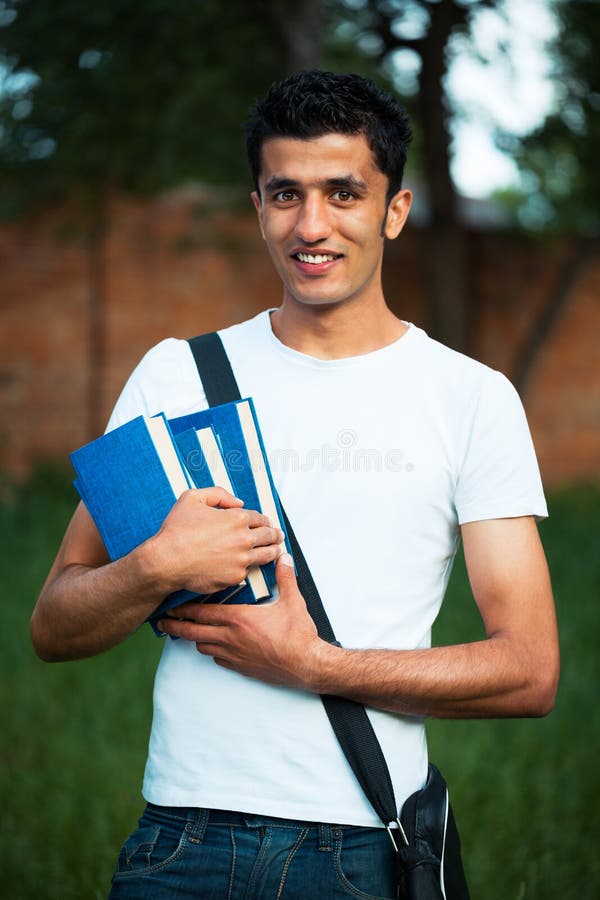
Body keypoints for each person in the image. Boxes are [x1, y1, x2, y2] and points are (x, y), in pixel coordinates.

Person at [31, 70, 559, 899]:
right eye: (286, 194)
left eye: (344, 192)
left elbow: (529, 670)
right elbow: (54, 626)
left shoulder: (472, 397)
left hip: (360, 848)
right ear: (257, 208)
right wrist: (156, 566)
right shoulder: (177, 375)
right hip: (179, 840)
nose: (312, 226)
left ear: (395, 210)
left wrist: (312, 663)